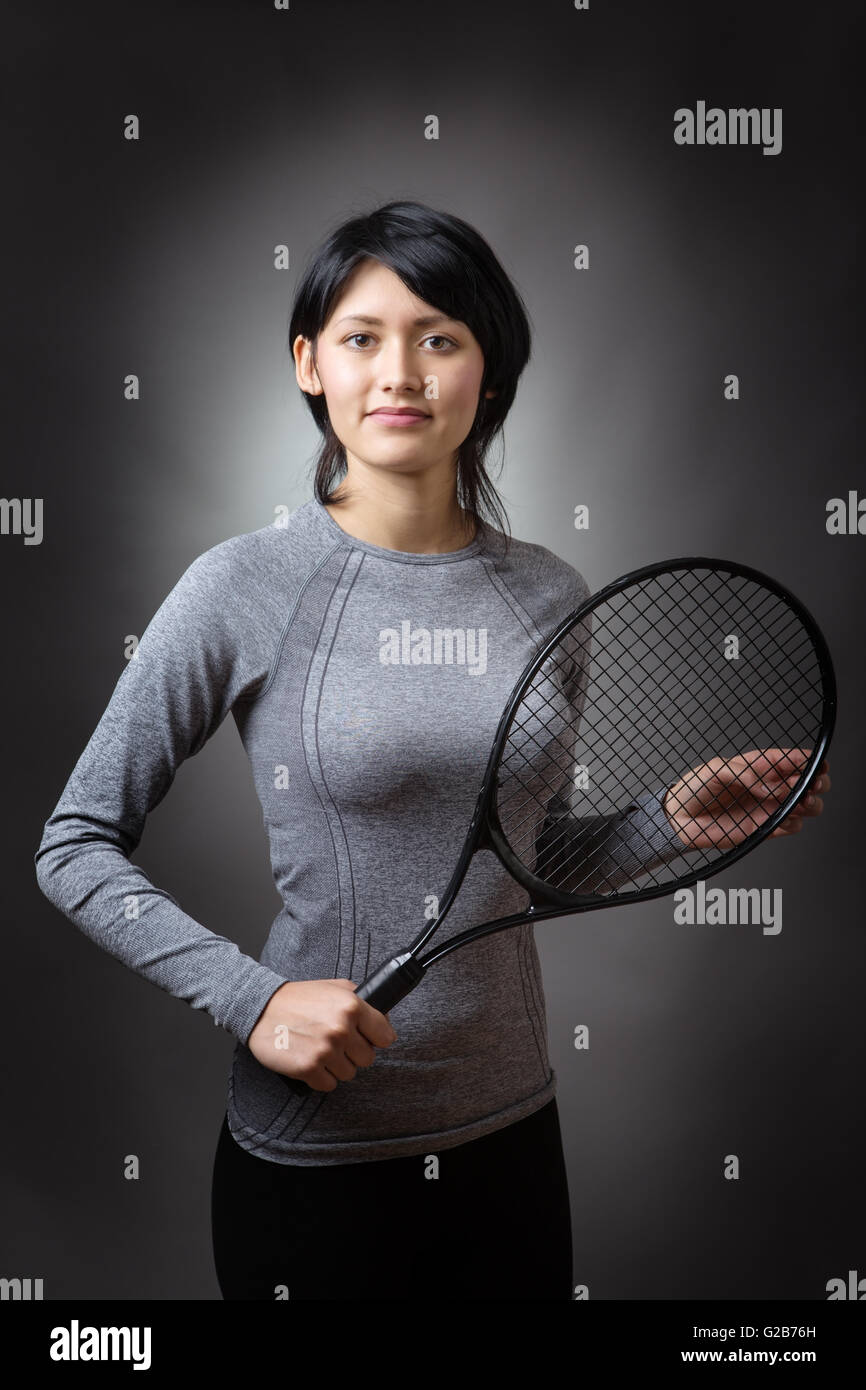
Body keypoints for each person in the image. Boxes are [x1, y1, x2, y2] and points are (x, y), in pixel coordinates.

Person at [34, 200, 830, 1301]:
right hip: (317, 1160)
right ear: (309, 365)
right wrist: (252, 999)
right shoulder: (241, 586)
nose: (398, 370)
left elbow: (517, 858)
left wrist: (668, 822)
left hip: (510, 1140)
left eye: (438, 337)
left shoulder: (548, 591)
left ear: (487, 374)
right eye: (362, 337)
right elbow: (73, 845)